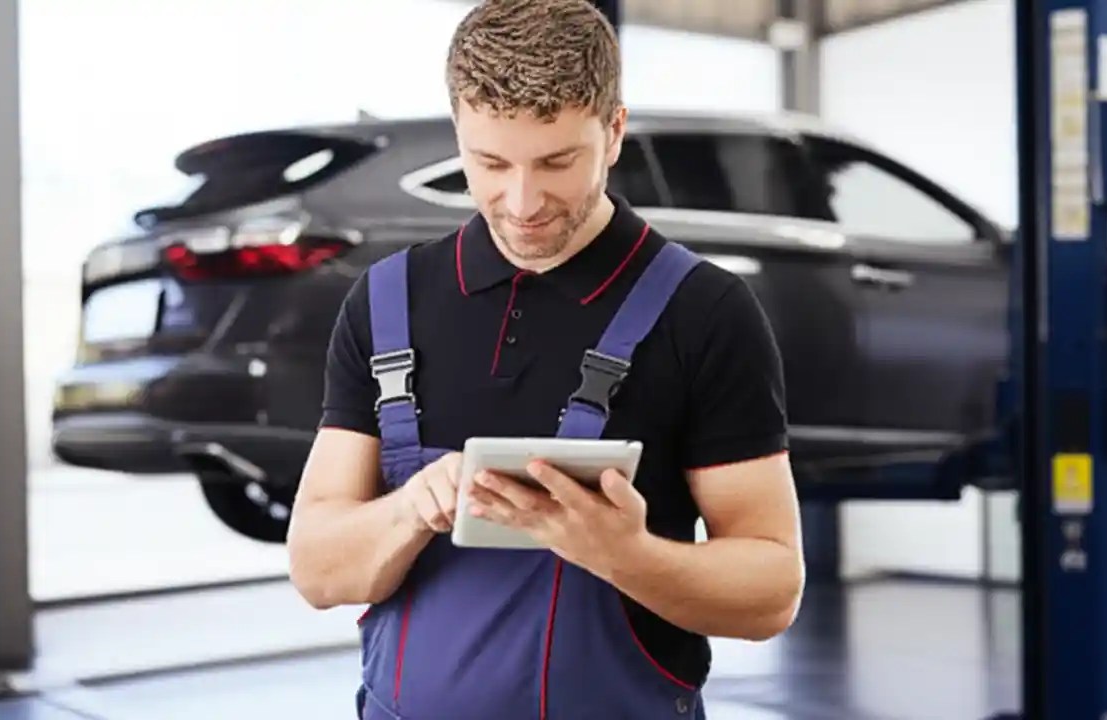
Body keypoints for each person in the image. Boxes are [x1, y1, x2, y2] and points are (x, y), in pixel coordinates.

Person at [285, 1, 804, 717]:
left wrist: (623, 552)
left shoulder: (705, 313)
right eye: (490, 163)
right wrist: (410, 509)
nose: (522, 201)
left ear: (614, 131)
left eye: (557, 161)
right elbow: (316, 570)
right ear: (458, 134)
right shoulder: (384, 304)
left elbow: (772, 590)